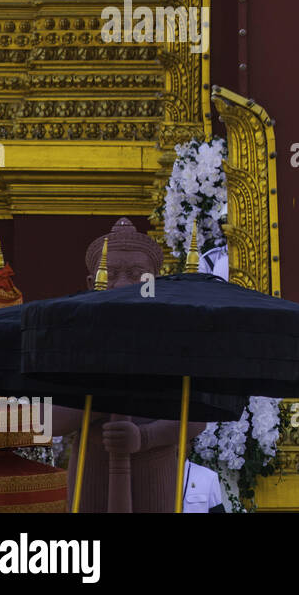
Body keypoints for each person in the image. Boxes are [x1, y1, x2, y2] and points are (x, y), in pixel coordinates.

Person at [50, 217, 202, 513]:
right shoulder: (74, 339)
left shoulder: (172, 341)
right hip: (93, 466)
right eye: (111, 273)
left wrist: (144, 437)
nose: (121, 284)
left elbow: (196, 417)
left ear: (154, 282)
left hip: (153, 466)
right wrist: (101, 401)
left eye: (135, 274)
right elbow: (51, 421)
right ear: (91, 283)